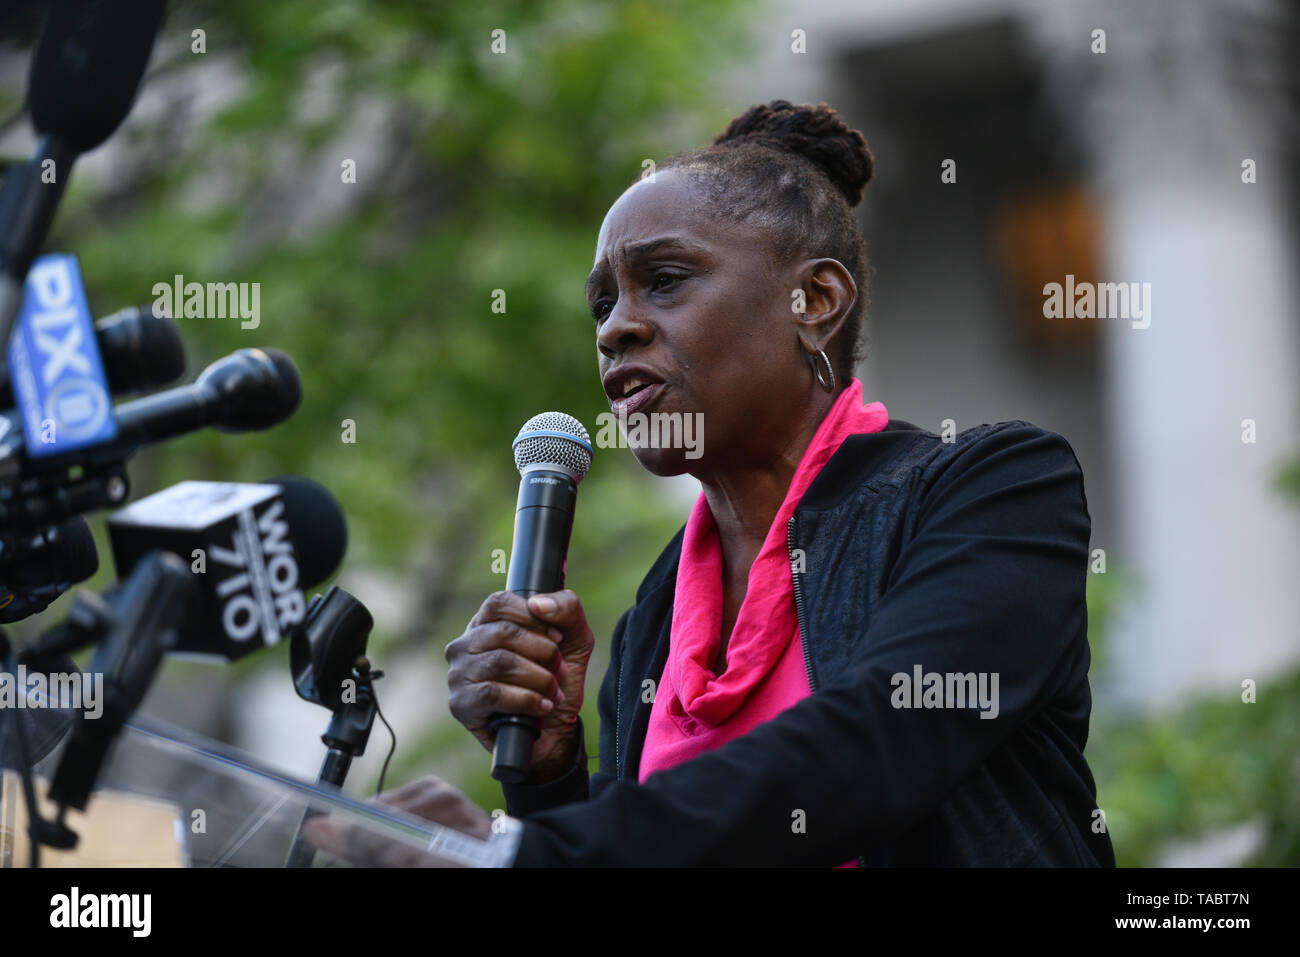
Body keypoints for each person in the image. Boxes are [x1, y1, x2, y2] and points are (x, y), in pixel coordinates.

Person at [316, 99, 1116, 867]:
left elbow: (876, 743)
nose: (615, 327)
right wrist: (551, 772)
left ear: (817, 301)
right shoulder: (653, 623)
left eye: (663, 280)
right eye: (603, 302)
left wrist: (529, 854)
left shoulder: (992, 489)